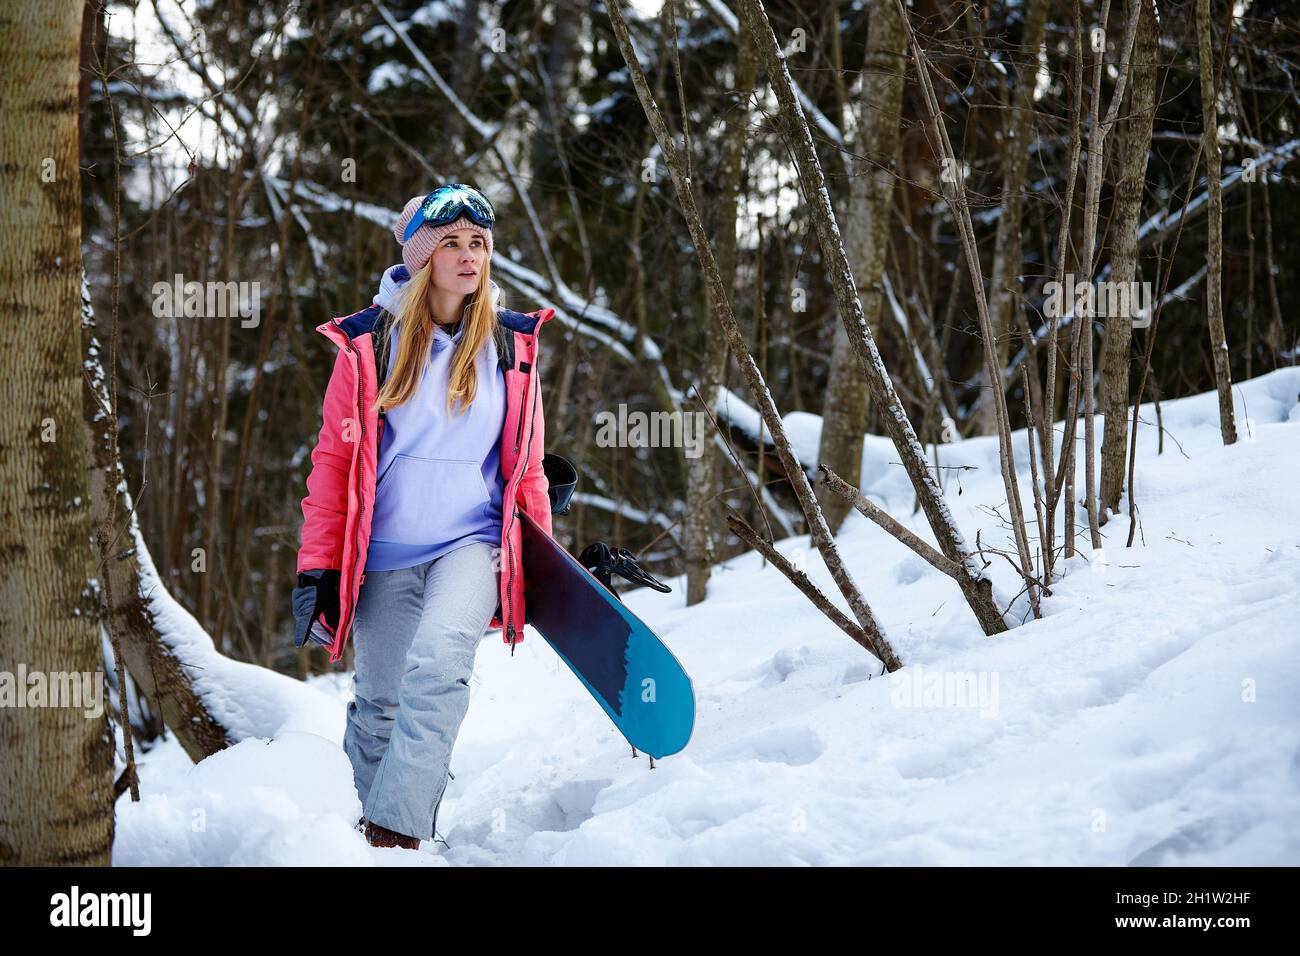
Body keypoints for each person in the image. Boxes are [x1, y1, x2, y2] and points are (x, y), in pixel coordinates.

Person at [291, 184, 556, 850]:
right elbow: (332, 464)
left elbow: (527, 465)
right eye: (452, 244)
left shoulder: (512, 347)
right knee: (379, 705)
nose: (469, 257)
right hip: (382, 549)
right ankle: (353, 843)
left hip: (471, 543)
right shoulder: (366, 347)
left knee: (439, 667)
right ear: (420, 258)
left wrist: (541, 551)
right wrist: (317, 564)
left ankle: (394, 835)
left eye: (479, 245)